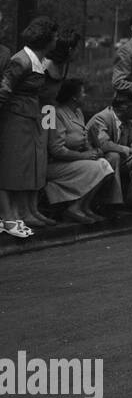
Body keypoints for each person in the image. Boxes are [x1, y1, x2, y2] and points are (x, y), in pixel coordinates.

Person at [0, 16, 60, 234]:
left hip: (27, 118)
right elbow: (4, 90)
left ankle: (13, 214)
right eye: (54, 36)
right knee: (10, 170)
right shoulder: (21, 60)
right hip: (14, 120)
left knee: (20, 169)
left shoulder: (36, 59)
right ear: (46, 39)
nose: (56, 40)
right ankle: (8, 218)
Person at [44, 79, 116, 224]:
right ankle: (74, 209)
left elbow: (82, 139)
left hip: (73, 160)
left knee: (103, 163)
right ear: (74, 97)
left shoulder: (78, 112)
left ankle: (84, 207)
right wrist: (83, 156)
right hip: (56, 164)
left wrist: (92, 151)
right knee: (98, 167)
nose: (86, 96)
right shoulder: (55, 113)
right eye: (83, 92)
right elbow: (56, 149)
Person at [87, 92, 132, 213]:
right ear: (124, 108)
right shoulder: (102, 118)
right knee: (114, 156)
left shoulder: (125, 121)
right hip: (97, 157)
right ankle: (112, 203)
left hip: (118, 158)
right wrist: (129, 150)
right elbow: (104, 144)